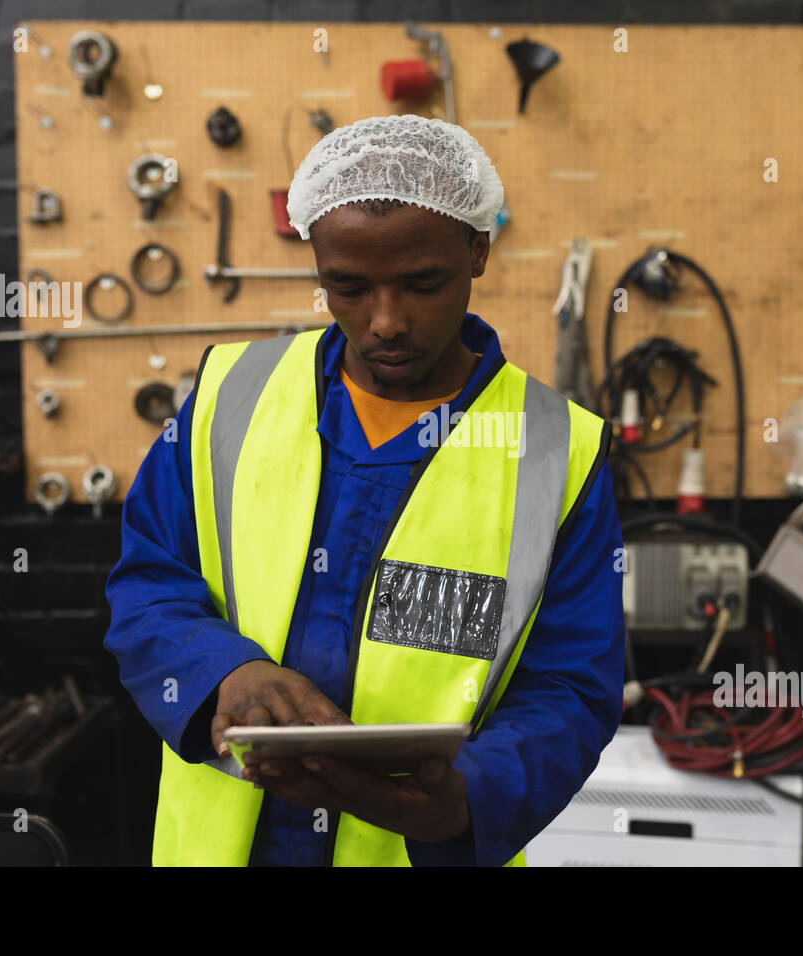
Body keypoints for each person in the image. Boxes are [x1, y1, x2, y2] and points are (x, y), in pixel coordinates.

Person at [104, 114, 625, 866]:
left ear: (479, 250)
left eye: (423, 284)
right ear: (315, 262)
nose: (386, 322)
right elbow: (149, 583)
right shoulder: (230, 397)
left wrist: (470, 795)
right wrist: (222, 672)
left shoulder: (557, 453)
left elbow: (570, 687)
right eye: (347, 287)